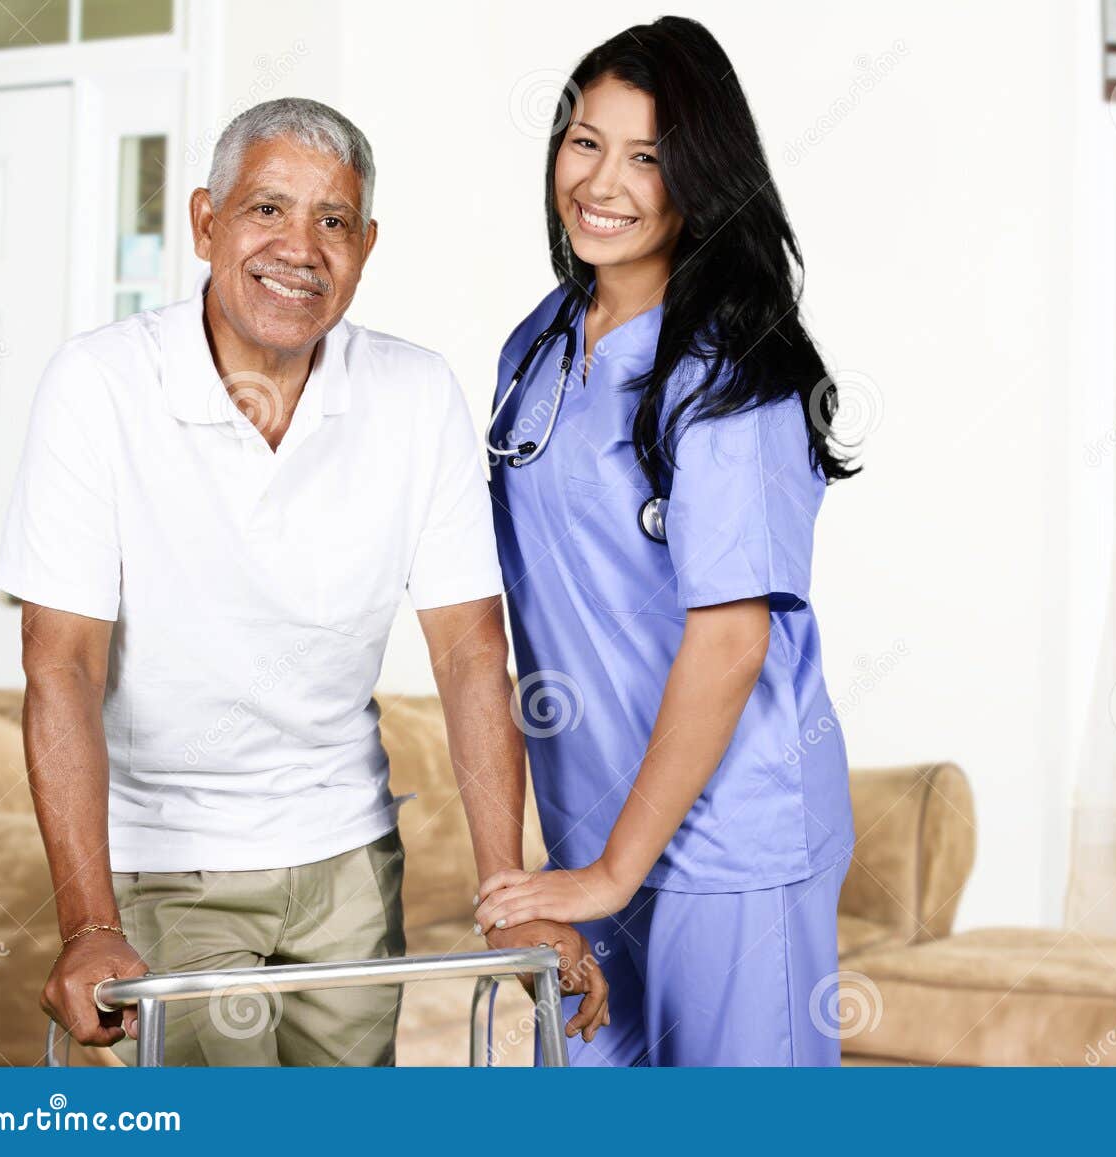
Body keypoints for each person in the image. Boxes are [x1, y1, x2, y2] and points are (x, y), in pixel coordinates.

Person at [0, 97, 605, 1066]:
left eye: (332, 220)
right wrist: (85, 923)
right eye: (267, 210)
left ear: (365, 245)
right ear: (205, 221)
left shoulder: (414, 391)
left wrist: (506, 891)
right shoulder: (99, 385)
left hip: (349, 860)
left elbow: (468, 648)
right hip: (167, 859)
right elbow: (60, 664)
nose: (300, 246)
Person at [475, 17, 859, 1066]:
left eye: (647, 156)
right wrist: (592, 867)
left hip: (729, 841)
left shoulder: (735, 372)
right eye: (585, 141)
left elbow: (730, 642)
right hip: (592, 829)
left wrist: (612, 872)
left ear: (699, 173)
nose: (603, 179)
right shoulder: (539, 340)